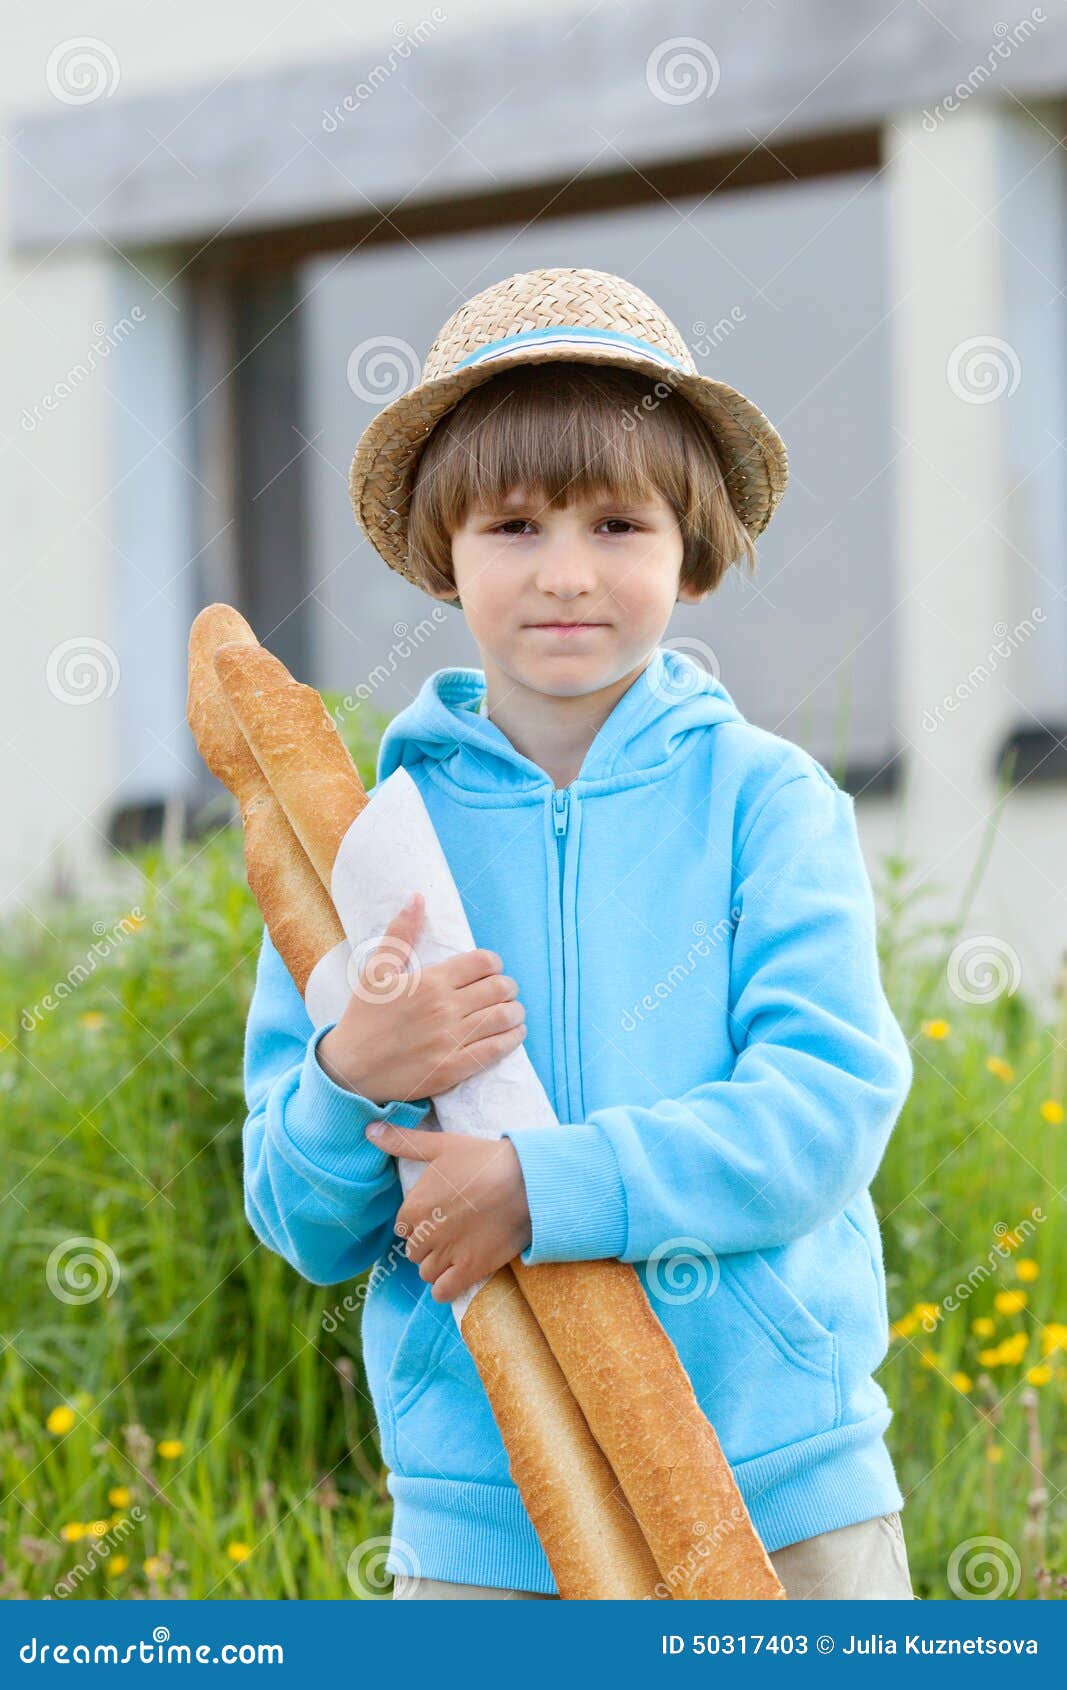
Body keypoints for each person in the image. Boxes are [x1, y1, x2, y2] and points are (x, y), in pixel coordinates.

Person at [242, 267, 916, 1600]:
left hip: (783, 1490)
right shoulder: (368, 847)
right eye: (513, 525)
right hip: (493, 1515)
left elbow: (822, 1109)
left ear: (691, 543)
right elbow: (304, 1221)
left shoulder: (765, 804)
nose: (565, 573)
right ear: (449, 547)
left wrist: (540, 1187)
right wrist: (347, 1070)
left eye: (616, 522)